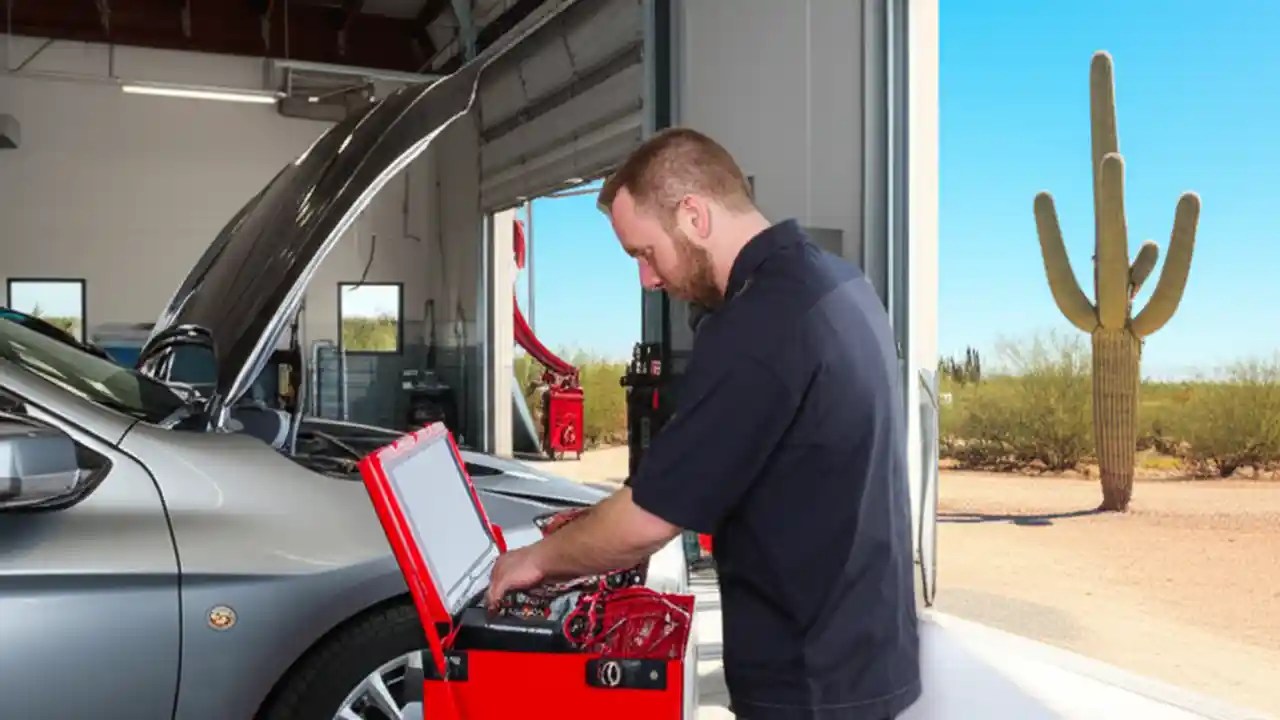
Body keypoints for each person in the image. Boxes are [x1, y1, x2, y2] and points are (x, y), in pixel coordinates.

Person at [486, 127, 921, 720]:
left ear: (694, 214)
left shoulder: (761, 323)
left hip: (809, 682)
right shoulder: (838, 282)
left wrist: (537, 559)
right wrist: (590, 525)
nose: (648, 278)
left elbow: (648, 520)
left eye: (644, 253)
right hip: (863, 654)